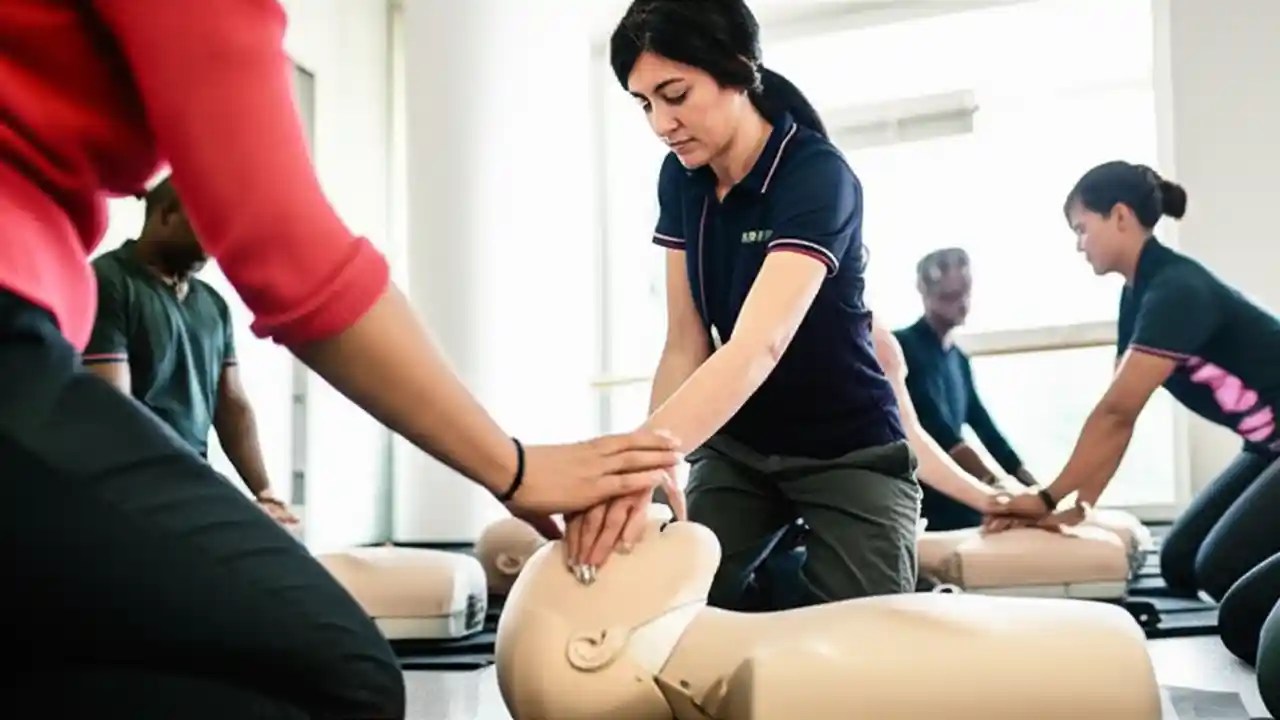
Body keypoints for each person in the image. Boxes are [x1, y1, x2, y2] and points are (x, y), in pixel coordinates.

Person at [1, 1, 682, 717]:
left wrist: (261, 493)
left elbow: (234, 402)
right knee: (343, 677)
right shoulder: (121, 285)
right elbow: (290, 257)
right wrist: (513, 466)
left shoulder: (203, 307)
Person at [563, 0, 922, 610]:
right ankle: (772, 582)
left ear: (736, 68)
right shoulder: (680, 177)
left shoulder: (815, 175)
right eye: (644, 103)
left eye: (675, 94)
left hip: (846, 449)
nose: (660, 123)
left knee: (867, 642)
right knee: (658, 600)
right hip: (741, 452)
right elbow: (686, 342)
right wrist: (642, 469)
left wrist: (646, 456)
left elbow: (760, 345)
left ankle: (784, 581)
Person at [988, 160, 1280, 661]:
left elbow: (1116, 412)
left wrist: (1046, 497)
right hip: (1265, 447)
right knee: (1181, 561)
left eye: (1083, 228)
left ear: (1120, 216)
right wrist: (1079, 506)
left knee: (1220, 571)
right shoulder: (1138, 294)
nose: (1080, 244)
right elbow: (1118, 414)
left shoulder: (1176, 290)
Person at [83, 178, 297, 525]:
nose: (218, 244)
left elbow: (231, 405)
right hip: (127, 489)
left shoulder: (213, 305)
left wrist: (265, 493)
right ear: (167, 214)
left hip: (189, 483)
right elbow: (114, 411)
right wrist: (210, 495)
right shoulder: (107, 282)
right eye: (211, 227)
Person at [895, 247, 1040, 531]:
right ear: (924, 292)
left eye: (964, 294)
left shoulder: (958, 358)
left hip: (958, 489)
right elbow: (938, 433)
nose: (960, 304)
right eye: (949, 297)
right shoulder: (905, 347)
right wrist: (997, 489)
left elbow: (985, 428)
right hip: (928, 491)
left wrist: (1037, 488)